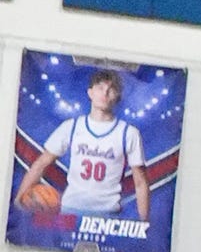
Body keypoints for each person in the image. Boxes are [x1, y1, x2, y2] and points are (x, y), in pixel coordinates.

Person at [18, 65, 148, 227]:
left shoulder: (128, 133)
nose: (105, 93)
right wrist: (19, 198)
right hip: (70, 210)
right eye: (100, 88)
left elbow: (140, 182)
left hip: (107, 215)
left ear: (117, 96)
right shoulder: (71, 127)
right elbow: (41, 164)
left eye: (111, 89)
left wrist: (144, 222)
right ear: (90, 93)